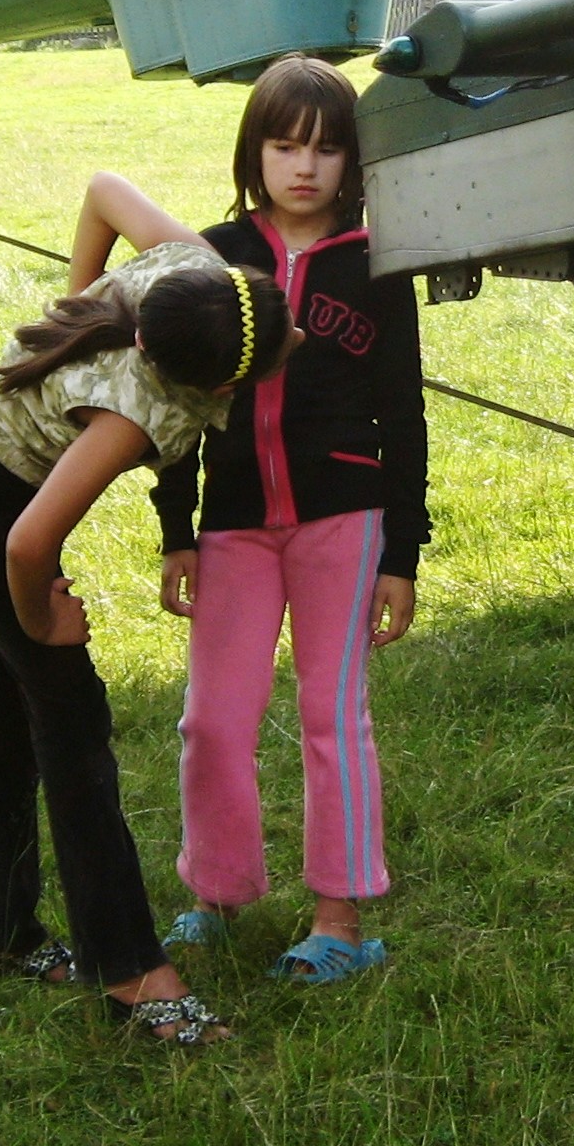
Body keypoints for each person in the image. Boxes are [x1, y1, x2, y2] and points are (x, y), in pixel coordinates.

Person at [0, 171, 296, 1048]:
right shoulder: (135, 413)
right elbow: (25, 542)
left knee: (14, 714)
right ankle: (131, 971)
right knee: (70, 719)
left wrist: (71, 312)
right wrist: (43, 620)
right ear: (214, 387)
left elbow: (99, 190)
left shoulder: (189, 270)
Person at [153, 55, 427, 983]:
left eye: (325, 148)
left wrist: (403, 551)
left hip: (342, 520)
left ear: (353, 160)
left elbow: (405, 412)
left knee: (330, 714)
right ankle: (218, 894)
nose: (304, 166)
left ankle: (339, 920)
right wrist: (177, 528)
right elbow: (177, 398)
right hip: (232, 522)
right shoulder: (212, 253)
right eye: (284, 145)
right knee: (214, 720)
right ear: (255, 152)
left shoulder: (376, 260)